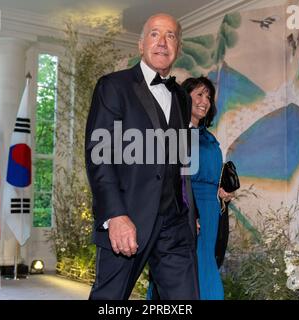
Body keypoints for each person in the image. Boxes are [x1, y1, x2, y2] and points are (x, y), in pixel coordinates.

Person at [85, 13, 200, 300]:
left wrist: (189, 211)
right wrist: (116, 215)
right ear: (140, 45)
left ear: (178, 47)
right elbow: (100, 157)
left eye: (170, 35)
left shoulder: (182, 98)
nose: (163, 42)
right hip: (129, 220)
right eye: (155, 34)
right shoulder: (113, 86)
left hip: (174, 226)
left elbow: (178, 161)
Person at [147, 76, 235, 300]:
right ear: (185, 98)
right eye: (199, 94)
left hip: (210, 214)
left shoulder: (210, 139)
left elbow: (212, 177)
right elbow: (169, 179)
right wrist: (186, 213)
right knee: (182, 272)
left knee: (205, 268)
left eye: (208, 97)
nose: (205, 101)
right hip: (184, 211)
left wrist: (223, 193)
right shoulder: (174, 134)